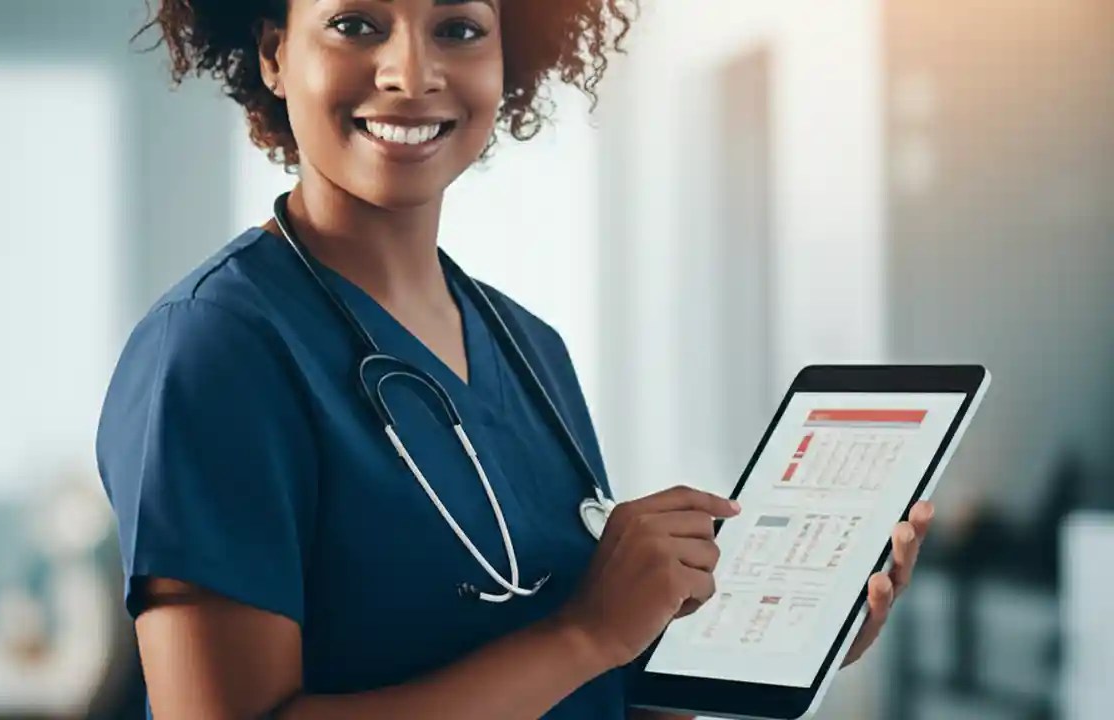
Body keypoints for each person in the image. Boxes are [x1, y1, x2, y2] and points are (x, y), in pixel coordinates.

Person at [95, 0, 936, 717]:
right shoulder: (213, 351)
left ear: (511, 55)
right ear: (275, 53)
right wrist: (586, 634)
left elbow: (589, 694)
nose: (410, 72)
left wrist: (777, 644)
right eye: (356, 23)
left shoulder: (529, 349)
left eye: (460, 28)